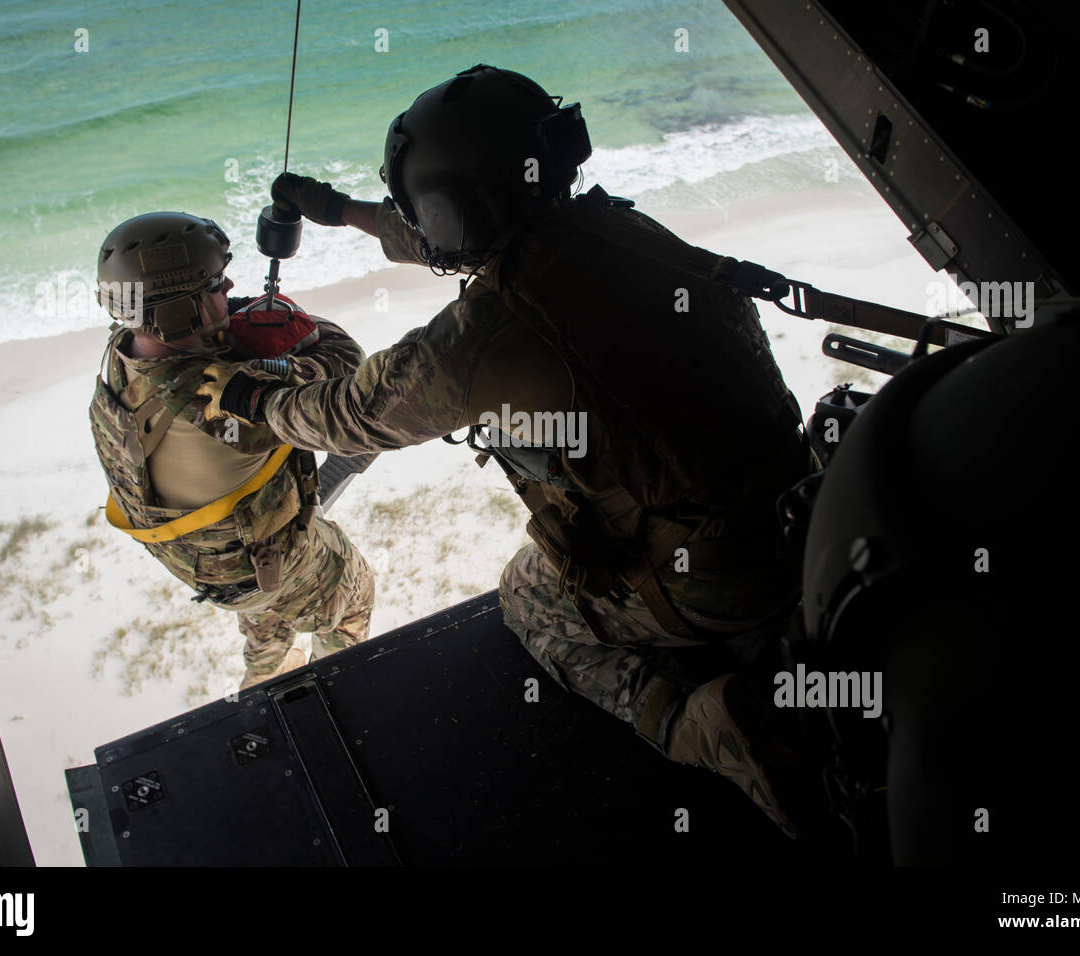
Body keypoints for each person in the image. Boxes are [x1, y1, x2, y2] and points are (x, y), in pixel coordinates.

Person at [198, 65, 828, 837]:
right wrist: (336, 212)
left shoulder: (484, 339)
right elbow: (457, 231)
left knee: (527, 598)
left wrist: (252, 398)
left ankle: (704, 726)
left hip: (712, 581)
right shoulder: (625, 231)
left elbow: (348, 417)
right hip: (804, 513)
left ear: (447, 207)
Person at [89, 211, 375, 690]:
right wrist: (271, 320)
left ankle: (265, 673)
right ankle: (337, 682)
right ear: (184, 310)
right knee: (355, 592)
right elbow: (348, 367)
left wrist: (219, 316)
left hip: (207, 562)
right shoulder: (231, 404)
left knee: (267, 609)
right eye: (217, 284)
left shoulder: (121, 357)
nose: (230, 287)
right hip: (260, 562)